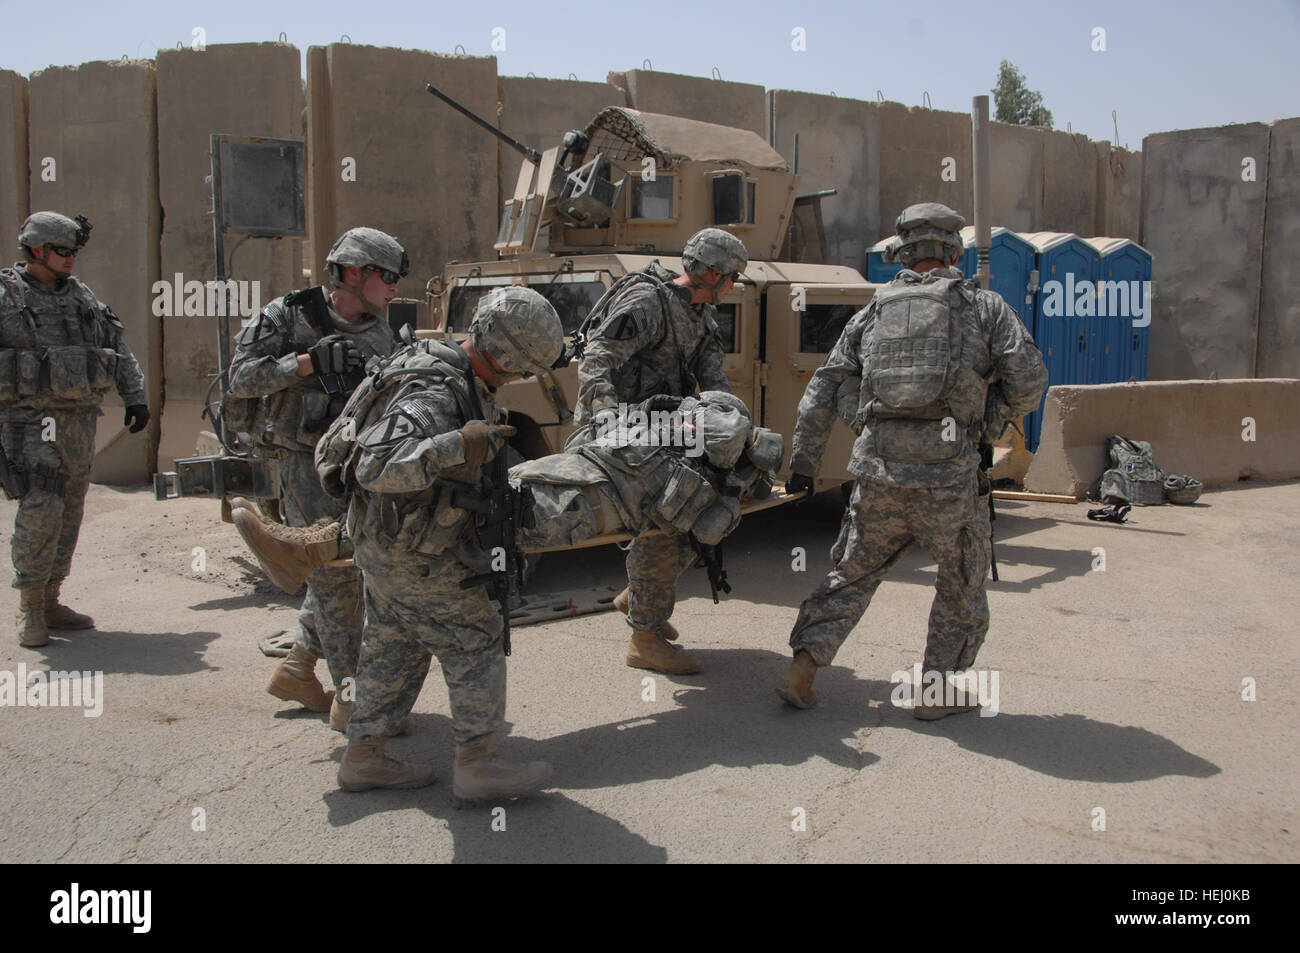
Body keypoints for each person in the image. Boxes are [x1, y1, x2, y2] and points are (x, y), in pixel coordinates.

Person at [777, 203, 1048, 718]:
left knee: (851, 575)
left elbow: (825, 384)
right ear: (953, 252)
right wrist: (989, 421)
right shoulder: (985, 308)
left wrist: (805, 463)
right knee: (961, 582)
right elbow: (1030, 384)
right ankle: (935, 694)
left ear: (903, 251)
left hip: (879, 475)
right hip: (950, 481)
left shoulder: (874, 310)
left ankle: (803, 668)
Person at [326, 286, 562, 798]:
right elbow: (376, 466)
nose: (520, 379)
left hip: (386, 546)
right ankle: (478, 764)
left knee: (395, 645)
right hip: (414, 556)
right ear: (504, 354)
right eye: (521, 368)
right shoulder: (437, 392)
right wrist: (456, 445)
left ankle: (362, 757)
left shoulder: (449, 366)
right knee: (474, 636)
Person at [225, 227, 406, 728]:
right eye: (386, 276)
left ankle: (297, 669)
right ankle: (355, 704)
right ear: (353, 273)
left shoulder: (378, 330)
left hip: (353, 467)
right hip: (300, 463)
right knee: (335, 581)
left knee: (350, 569)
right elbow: (240, 379)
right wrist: (303, 362)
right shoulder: (286, 315)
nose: (394, 288)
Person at [572, 227, 747, 675]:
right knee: (666, 520)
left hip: (663, 430)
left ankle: (640, 596)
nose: (733, 285)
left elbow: (715, 385)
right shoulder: (648, 304)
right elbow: (596, 359)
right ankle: (645, 638)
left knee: (713, 508)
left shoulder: (702, 317)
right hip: (617, 433)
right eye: (731, 276)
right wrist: (609, 421)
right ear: (711, 272)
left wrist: (732, 427)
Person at [1, 212, 148, 647]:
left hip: (80, 421)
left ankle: (50, 598)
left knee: (69, 509)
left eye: (74, 252)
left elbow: (115, 346)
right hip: (28, 420)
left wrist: (134, 395)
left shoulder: (81, 296)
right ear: (36, 250)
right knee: (42, 504)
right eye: (62, 251)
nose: (70, 260)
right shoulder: (7, 297)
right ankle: (29, 605)